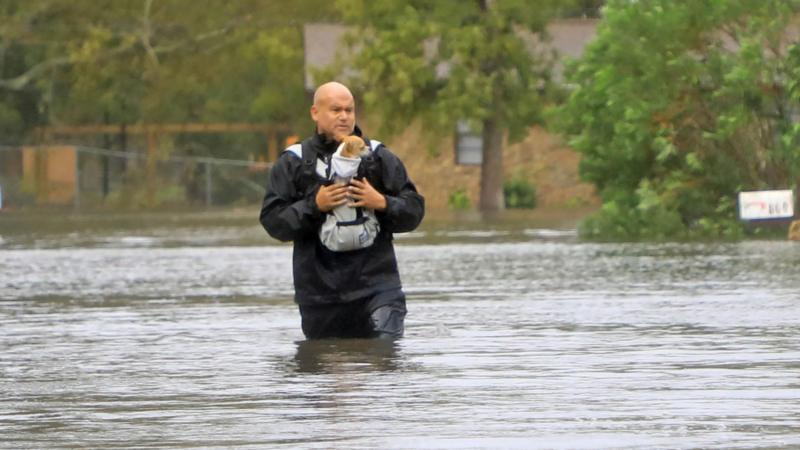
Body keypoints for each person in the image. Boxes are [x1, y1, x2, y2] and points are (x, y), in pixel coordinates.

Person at [260, 81, 425, 340]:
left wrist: (382, 202)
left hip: (378, 289)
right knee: (324, 360)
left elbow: (414, 210)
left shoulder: (378, 157)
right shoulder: (293, 162)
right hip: (320, 296)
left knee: (384, 355)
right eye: (336, 110)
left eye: (349, 110)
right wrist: (314, 205)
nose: (344, 116)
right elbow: (273, 222)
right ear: (315, 113)